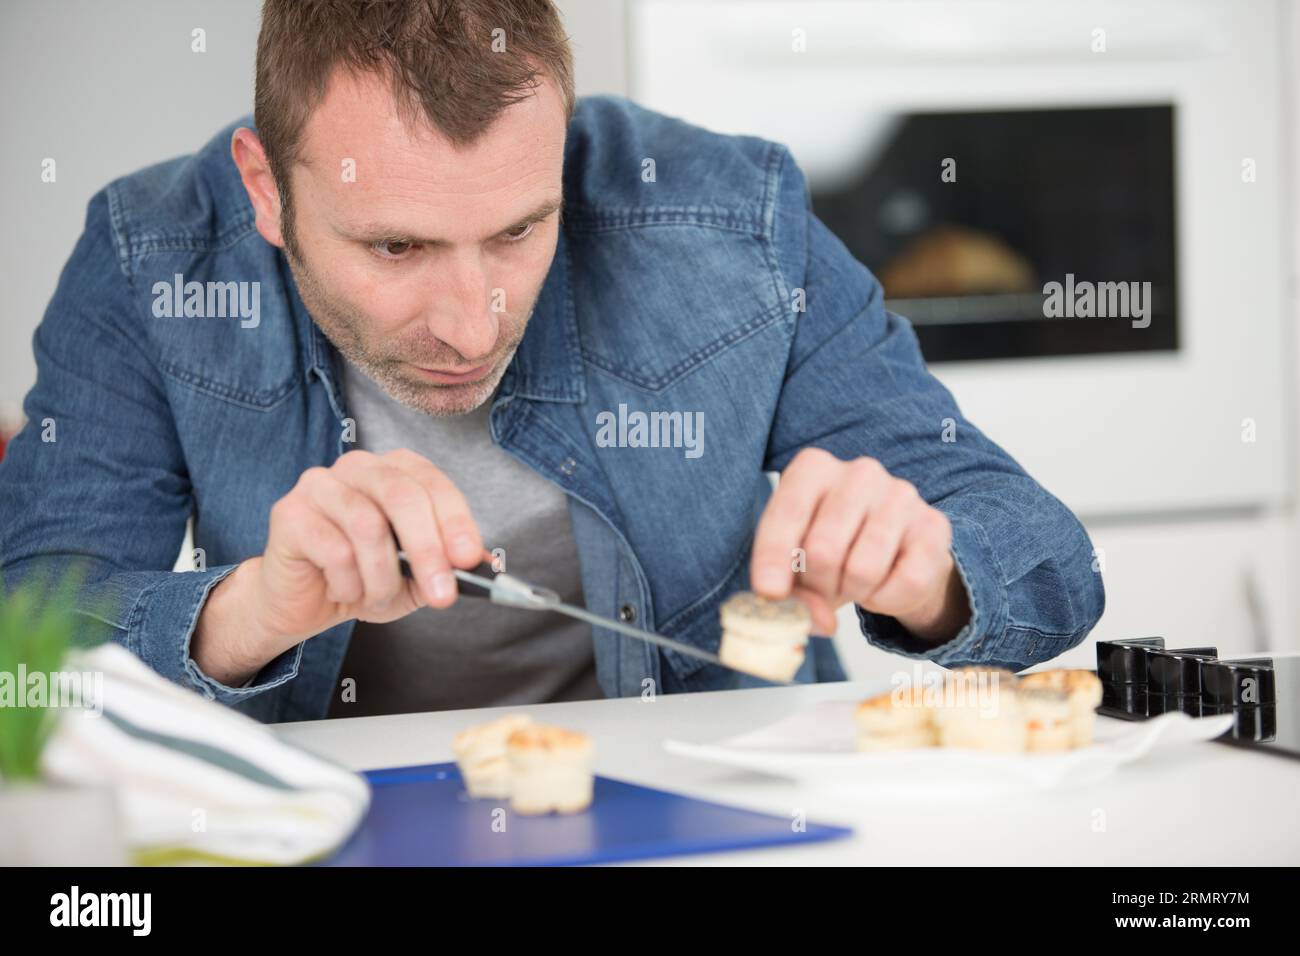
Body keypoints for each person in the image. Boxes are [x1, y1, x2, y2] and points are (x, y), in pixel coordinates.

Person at [0, 0, 1104, 722]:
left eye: (521, 230)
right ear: (263, 187)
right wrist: (248, 608)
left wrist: (932, 572)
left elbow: (1049, 560)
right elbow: (27, 647)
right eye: (396, 246)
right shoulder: (151, 257)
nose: (473, 328)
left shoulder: (728, 219)